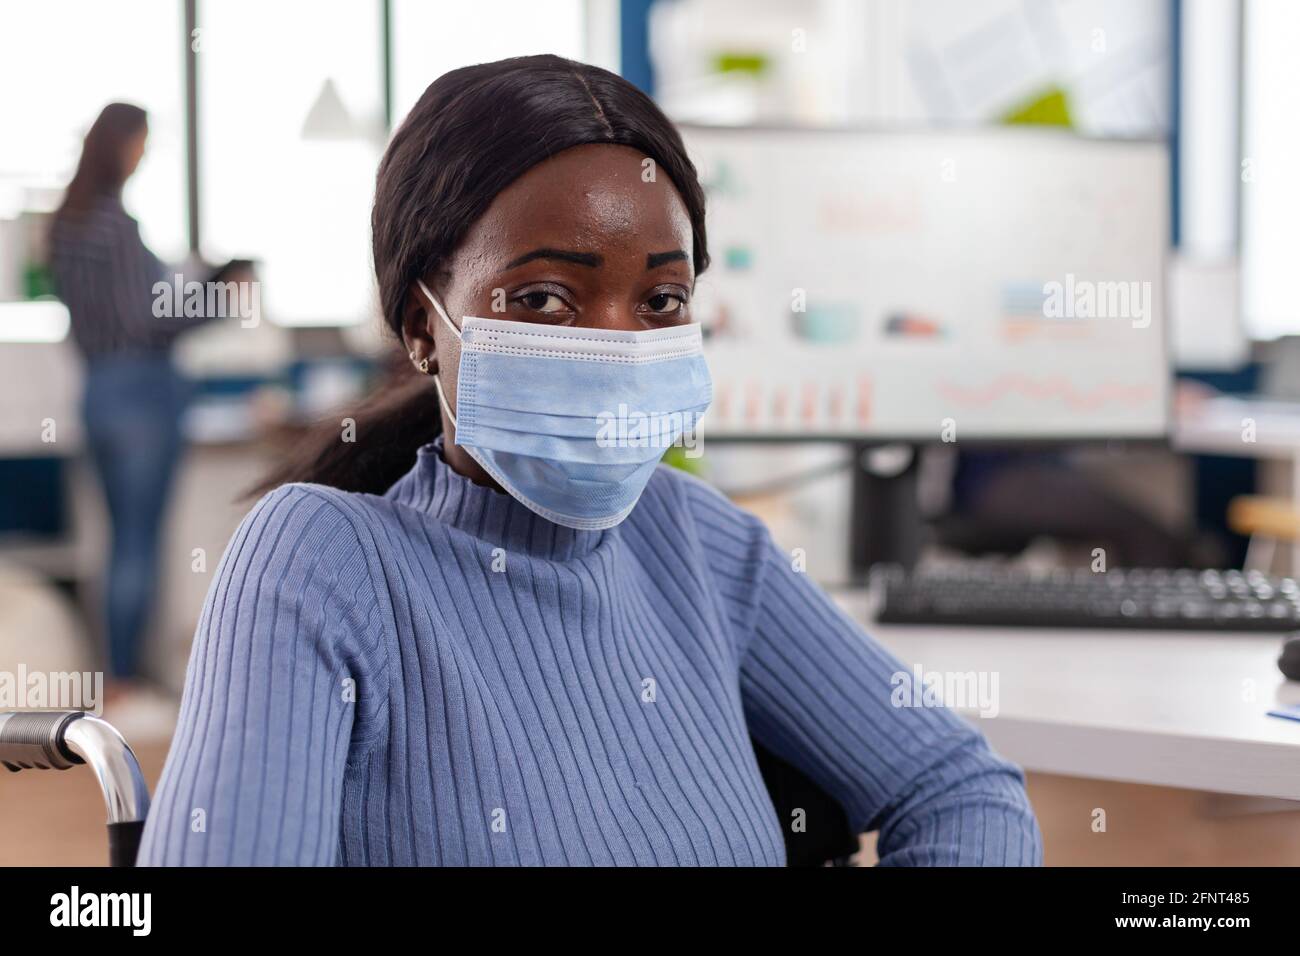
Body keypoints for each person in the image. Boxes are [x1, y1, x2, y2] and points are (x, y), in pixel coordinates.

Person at [139, 56, 1041, 866]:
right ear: (424, 326)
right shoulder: (322, 559)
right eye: (544, 297)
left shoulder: (700, 544)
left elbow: (965, 793)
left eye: (660, 299)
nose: (616, 348)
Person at [49, 103, 215, 729]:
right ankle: (123, 685)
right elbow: (144, 321)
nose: (143, 156)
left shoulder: (65, 227)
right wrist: (218, 295)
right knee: (139, 545)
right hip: (142, 394)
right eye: (141, 144)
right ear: (119, 147)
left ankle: (117, 681)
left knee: (121, 543)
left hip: (96, 392)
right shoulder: (116, 226)